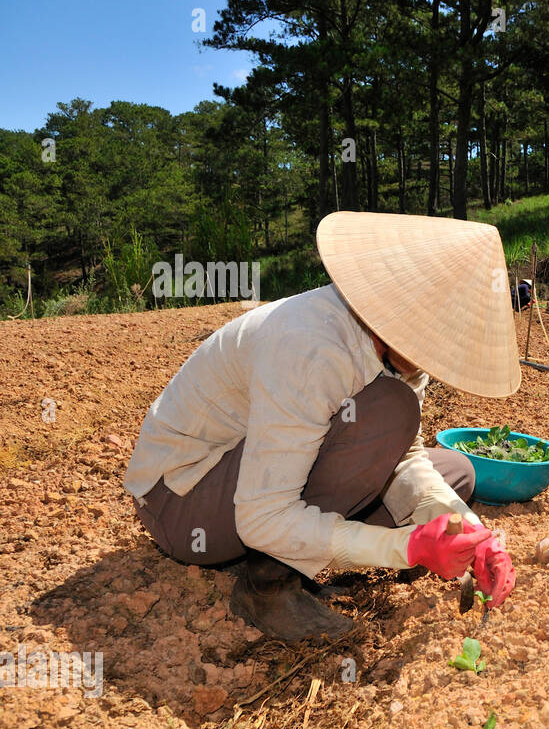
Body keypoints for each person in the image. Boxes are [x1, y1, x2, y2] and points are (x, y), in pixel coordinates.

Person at [124, 212, 519, 642]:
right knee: (390, 414)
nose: (437, 357)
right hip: (182, 500)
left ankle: (344, 544)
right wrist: (406, 548)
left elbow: (405, 457)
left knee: (456, 475)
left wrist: (471, 531)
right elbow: (260, 516)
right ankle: (267, 586)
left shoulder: (401, 348)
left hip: (254, 478)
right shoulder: (311, 347)